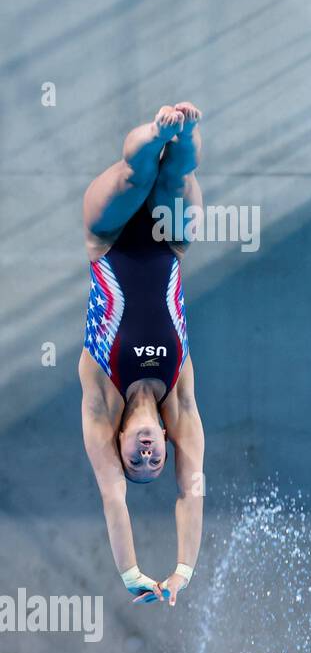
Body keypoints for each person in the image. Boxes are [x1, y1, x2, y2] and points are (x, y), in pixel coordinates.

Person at [80, 104, 206, 606]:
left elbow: (114, 497)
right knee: (176, 176)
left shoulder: (100, 399)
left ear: (121, 443)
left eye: (138, 460)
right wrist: (182, 571)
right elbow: (191, 491)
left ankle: (158, 129)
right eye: (158, 461)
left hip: (105, 240)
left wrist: (132, 572)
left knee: (136, 176)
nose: (150, 455)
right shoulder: (182, 402)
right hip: (168, 243)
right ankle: (187, 130)